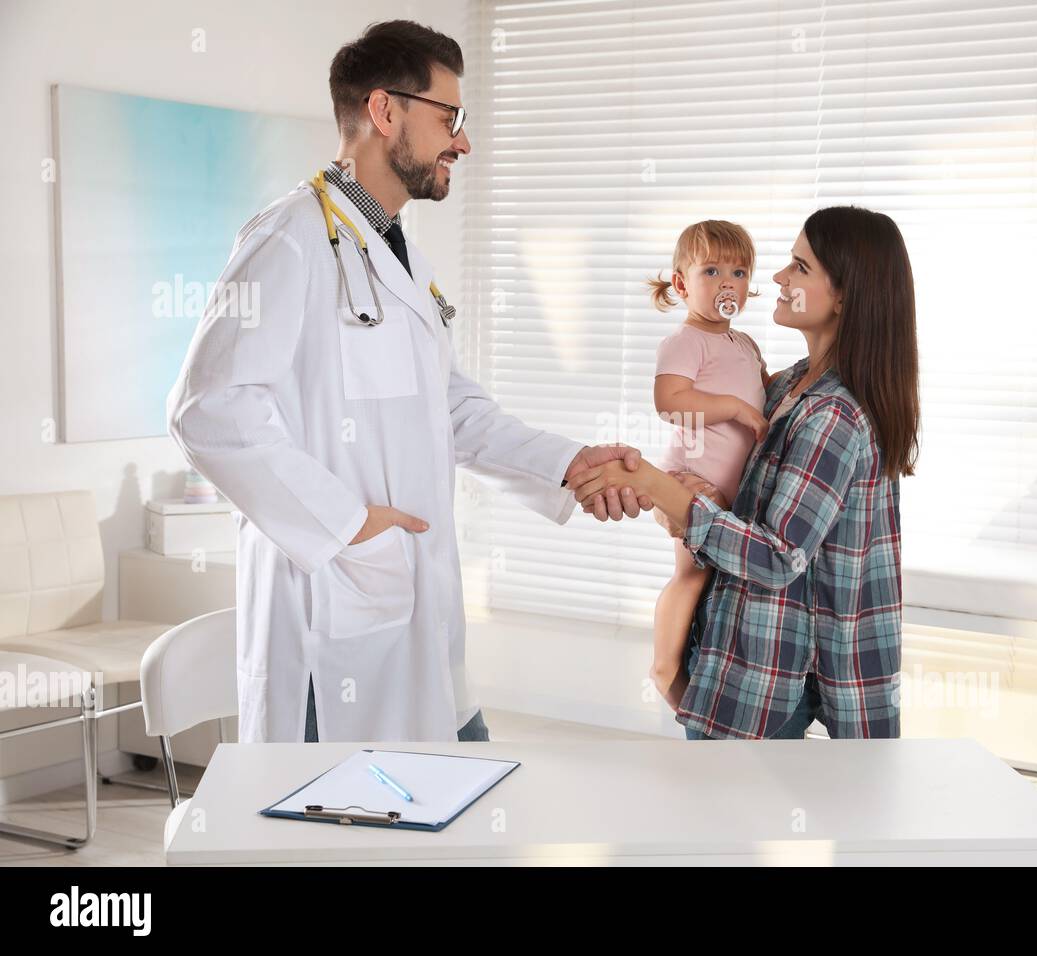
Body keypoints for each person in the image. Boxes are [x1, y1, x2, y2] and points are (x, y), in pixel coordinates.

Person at [166, 20, 650, 744]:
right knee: (336, 838)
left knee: (452, 797)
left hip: (412, 620)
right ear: (384, 111)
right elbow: (209, 411)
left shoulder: (401, 255)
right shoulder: (289, 239)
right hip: (332, 628)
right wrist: (345, 525)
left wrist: (563, 462)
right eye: (449, 118)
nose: (463, 141)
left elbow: (448, 406)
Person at [571, 206, 921, 740]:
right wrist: (696, 496)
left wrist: (658, 487)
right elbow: (739, 490)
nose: (776, 278)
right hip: (728, 657)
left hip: (763, 682)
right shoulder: (788, 385)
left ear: (845, 294)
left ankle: (664, 668)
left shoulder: (834, 415)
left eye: (799, 268)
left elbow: (780, 556)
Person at [643, 220, 768, 708]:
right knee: (690, 573)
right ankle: (665, 669)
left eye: (738, 272)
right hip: (689, 480)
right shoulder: (685, 341)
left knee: (715, 584)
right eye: (711, 271)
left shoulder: (744, 344)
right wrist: (735, 409)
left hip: (728, 493)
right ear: (680, 284)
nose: (726, 283)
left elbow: (759, 388)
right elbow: (670, 401)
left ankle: (702, 674)